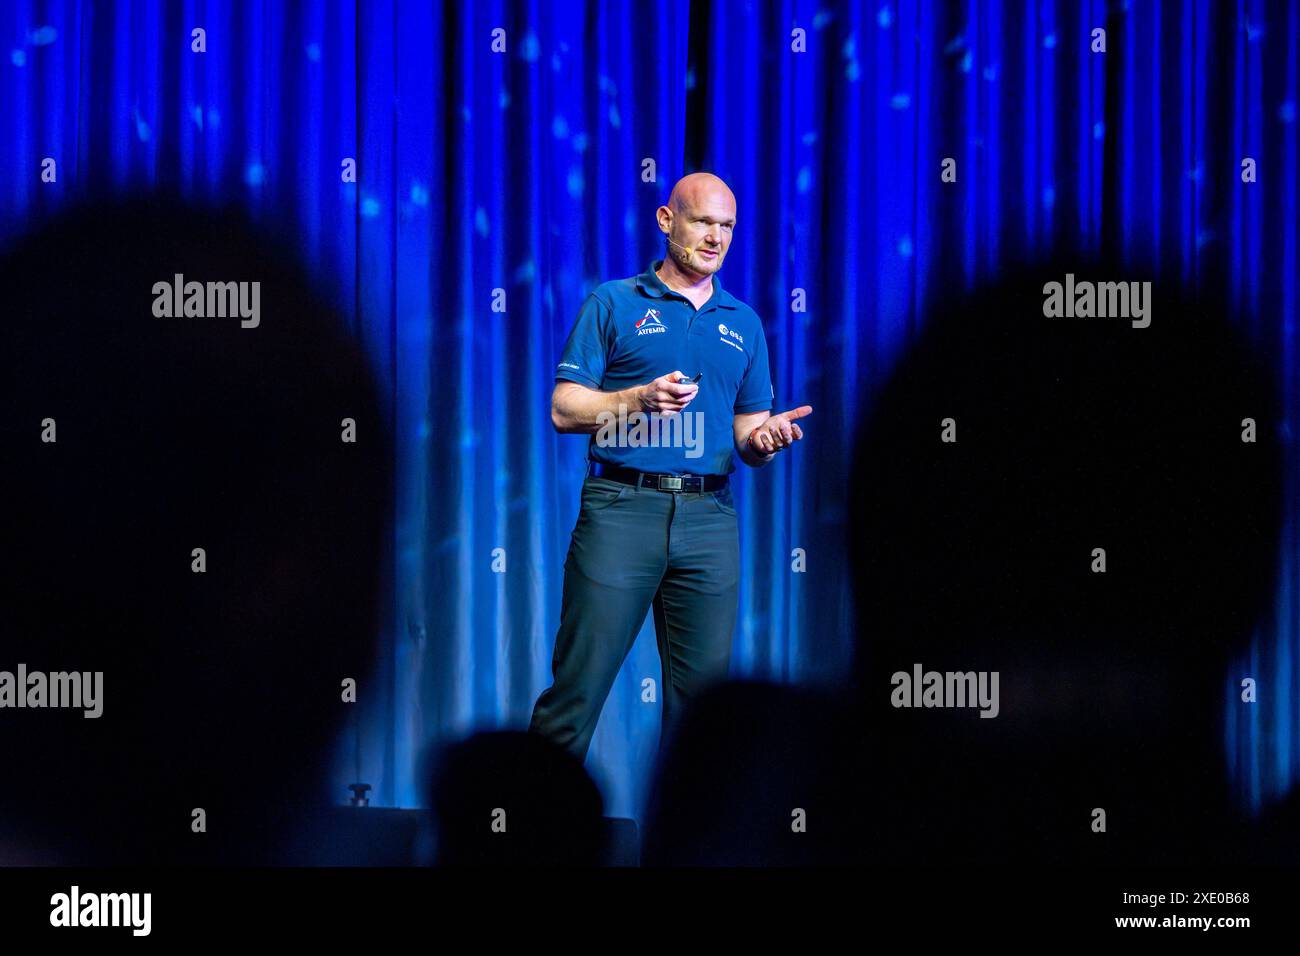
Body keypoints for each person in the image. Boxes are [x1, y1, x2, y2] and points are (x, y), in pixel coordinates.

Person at [528, 172, 812, 762]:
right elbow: (563, 410)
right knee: (574, 697)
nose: (716, 237)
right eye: (703, 222)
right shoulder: (614, 301)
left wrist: (767, 438)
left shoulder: (744, 321)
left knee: (704, 717)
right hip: (621, 511)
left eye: (727, 226)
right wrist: (635, 399)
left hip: (710, 519)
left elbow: (745, 436)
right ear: (666, 221)